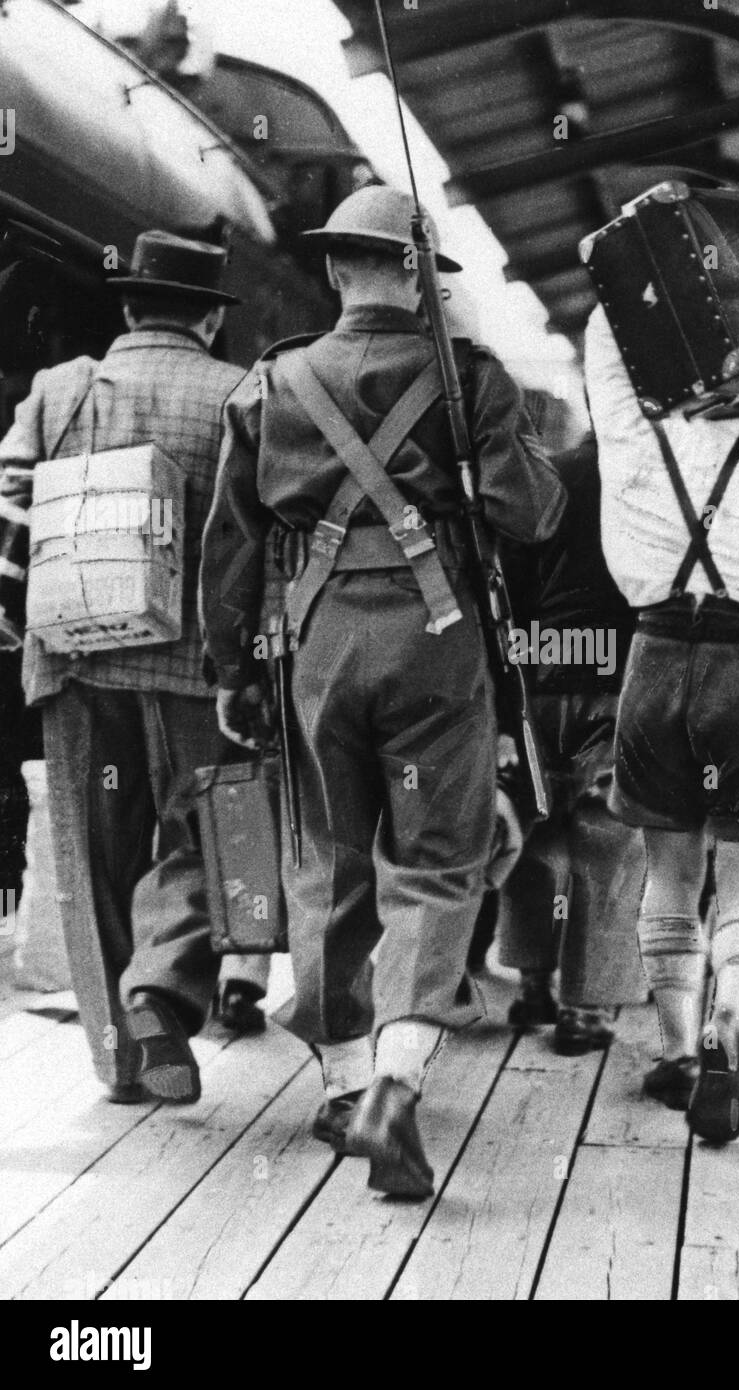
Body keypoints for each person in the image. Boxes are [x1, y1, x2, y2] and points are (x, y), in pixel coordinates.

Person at [200, 185, 564, 1197]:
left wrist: (233, 671)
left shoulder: (270, 385)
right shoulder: (470, 381)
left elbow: (229, 547)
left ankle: (341, 1081)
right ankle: (399, 1085)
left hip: (313, 645)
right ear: (418, 274)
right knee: (439, 862)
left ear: (331, 268)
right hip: (437, 645)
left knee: (326, 858)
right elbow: (529, 514)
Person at [0, 231, 244, 1103]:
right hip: (196, 667)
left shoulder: (57, 390)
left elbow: (11, 515)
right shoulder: (238, 394)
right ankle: (163, 992)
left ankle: (119, 1063)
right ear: (210, 320)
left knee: (93, 860)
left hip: (76, 659)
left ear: (131, 307)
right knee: (204, 838)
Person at [585, 302, 739, 1144]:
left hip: (656, 659)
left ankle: (679, 1047)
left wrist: (644, 266)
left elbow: (606, 340)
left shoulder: (628, 428)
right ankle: (733, 1013)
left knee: (670, 868)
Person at [497, 434, 648, 1054]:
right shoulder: (655, 477)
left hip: (541, 673)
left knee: (536, 827)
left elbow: (510, 587)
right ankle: (585, 1007)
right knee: (609, 838)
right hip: (624, 676)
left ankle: (533, 980)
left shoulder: (548, 475)